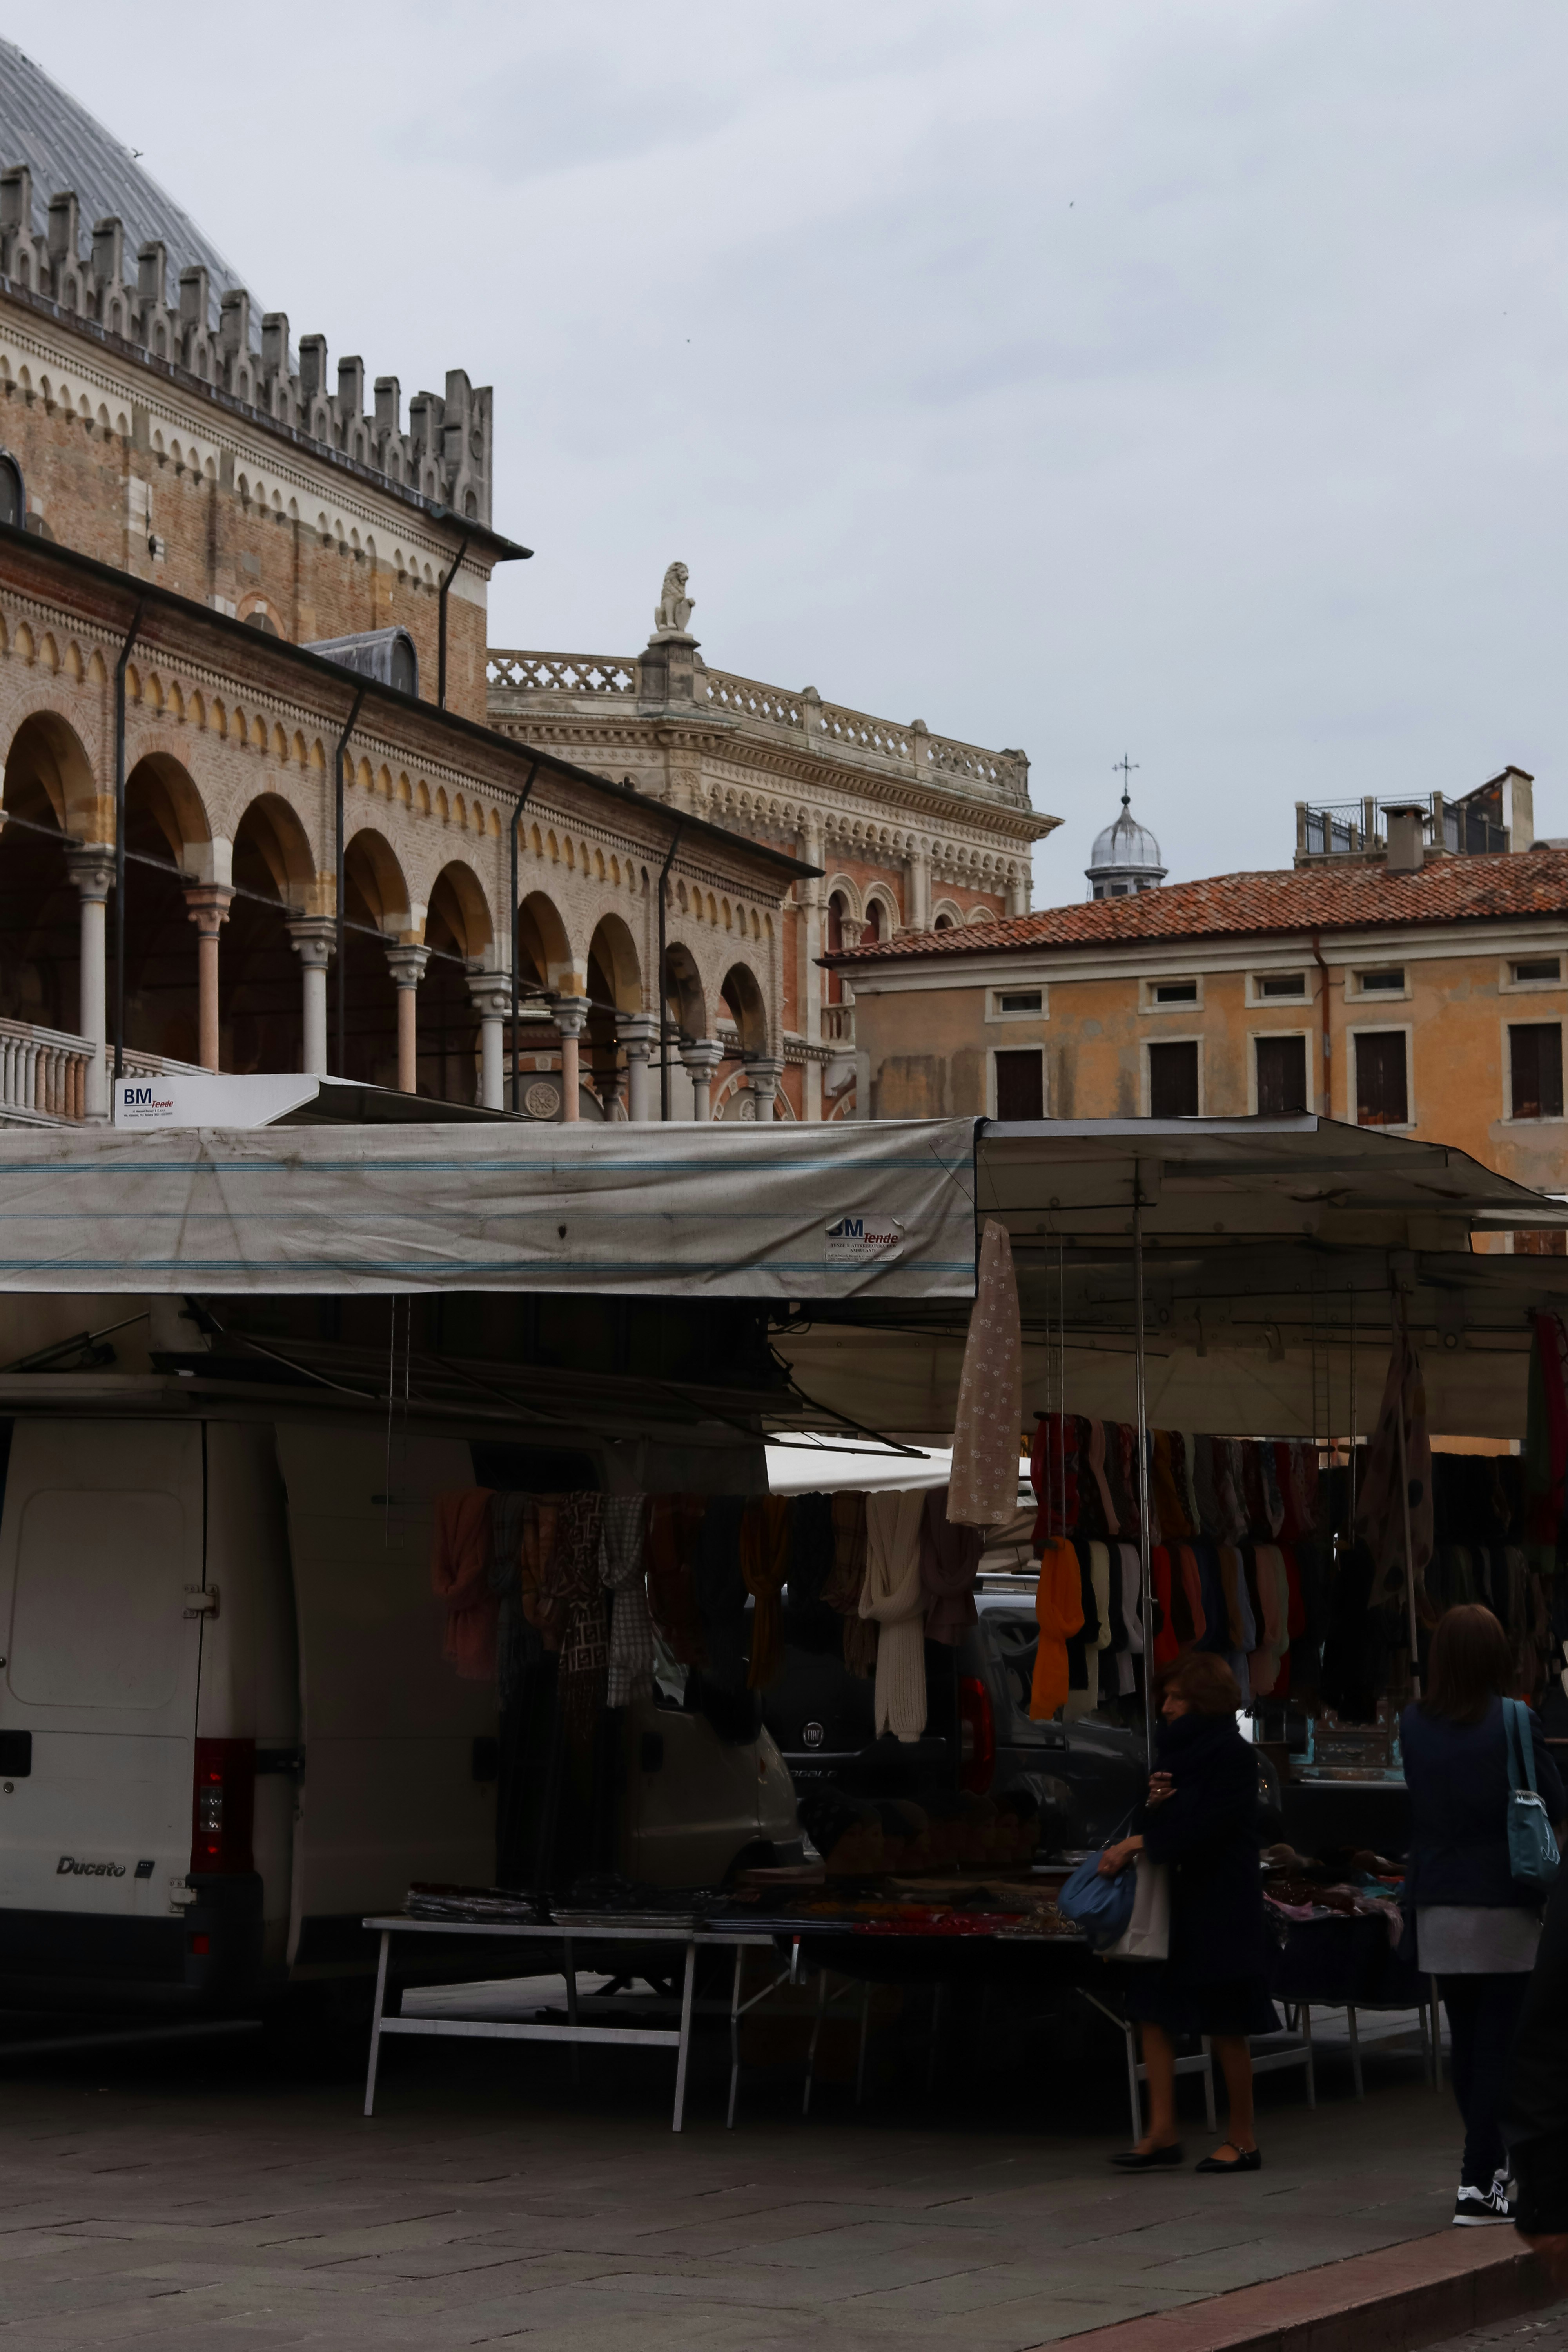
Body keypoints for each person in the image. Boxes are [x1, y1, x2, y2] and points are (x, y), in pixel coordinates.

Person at [1401, 1604, 1564, 2228]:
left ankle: (1484, 2173)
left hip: (1437, 1901)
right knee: (1502, 2045)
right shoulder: (1515, 1719)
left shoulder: (1413, 1723)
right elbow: (1554, 1801)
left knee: (1467, 2043)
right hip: (1503, 1899)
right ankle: (1479, 2179)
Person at [1100, 1651, 1275, 2174]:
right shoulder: (1172, 1750)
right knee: (1152, 2011)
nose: (1167, 1706)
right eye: (1167, 1696)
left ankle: (1243, 2138)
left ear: (1204, 1700)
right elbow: (1167, 1821)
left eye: (1177, 1697)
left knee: (1226, 2021)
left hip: (1219, 1903)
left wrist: (1140, 1840)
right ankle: (1162, 2132)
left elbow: (1211, 1825)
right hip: (1172, 1902)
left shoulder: (1233, 1755)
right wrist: (1153, 1807)